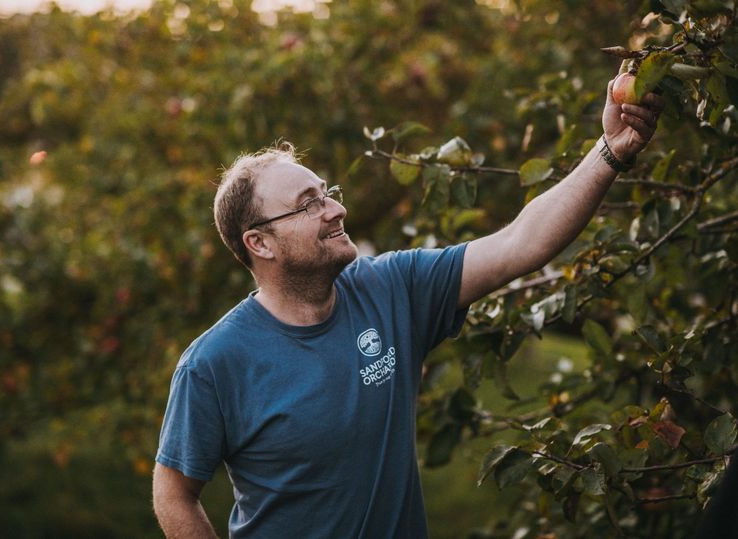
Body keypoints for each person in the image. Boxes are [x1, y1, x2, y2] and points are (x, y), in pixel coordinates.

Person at [152, 76, 663, 538]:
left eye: (327, 193)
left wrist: (610, 151)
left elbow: (521, 244)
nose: (336, 209)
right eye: (309, 204)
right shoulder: (215, 363)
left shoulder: (390, 287)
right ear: (260, 244)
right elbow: (173, 492)